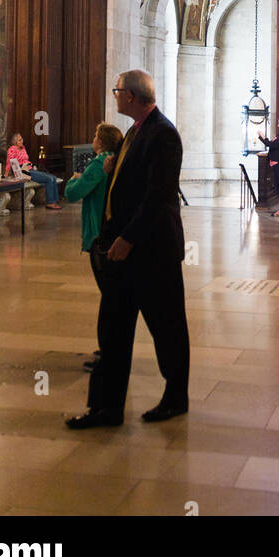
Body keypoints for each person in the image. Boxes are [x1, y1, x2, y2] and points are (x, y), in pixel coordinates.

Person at [65, 70, 190, 428]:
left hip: (153, 252)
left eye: (118, 91)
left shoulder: (163, 135)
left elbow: (158, 197)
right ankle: (105, 408)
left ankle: (175, 397)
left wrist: (128, 238)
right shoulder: (134, 132)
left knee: (167, 328)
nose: (115, 95)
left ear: (132, 96)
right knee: (112, 330)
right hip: (121, 250)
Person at [64, 122, 122, 372]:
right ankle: (112, 349)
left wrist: (73, 180)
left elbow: (73, 194)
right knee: (112, 296)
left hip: (98, 235)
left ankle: (109, 352)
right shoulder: (117, 161)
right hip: (110, 234)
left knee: (109, 297)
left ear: (102, 141)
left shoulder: (99, 164)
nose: (93, 138)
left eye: (96, 135)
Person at [5, 133, 62, 209]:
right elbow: (9, 162)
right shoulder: (12, 149)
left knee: (53, 177)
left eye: (22, 139)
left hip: (29, 169)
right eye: (19, 140)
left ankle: (55, 201)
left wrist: (32, 166)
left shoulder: (23, 148)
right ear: (15, 142)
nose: (22, 141)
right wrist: (6, 174)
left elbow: (26, 160)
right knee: (50, 179)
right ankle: (50, 203)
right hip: (22, 171)